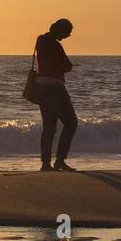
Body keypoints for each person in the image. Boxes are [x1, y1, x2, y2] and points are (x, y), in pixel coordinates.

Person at [35, 18, 78, 171]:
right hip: (54, 86)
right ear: (60, 30)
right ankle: (60, 160)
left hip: (40, 87)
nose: (67, 36)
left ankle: (45, 163)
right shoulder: (55, 45)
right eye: (67, 33)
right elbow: (67, 66)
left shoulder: (40, 40)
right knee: (71, 123)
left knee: (49, 126)